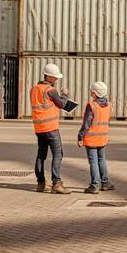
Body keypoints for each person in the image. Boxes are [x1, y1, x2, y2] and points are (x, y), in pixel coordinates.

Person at [30, 63, 78, 194]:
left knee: (41, 155)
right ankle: (56, 183)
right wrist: (65, 94)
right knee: (58, 154)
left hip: (39, 128)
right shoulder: (50, 90)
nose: (56, 79)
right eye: (55, 77)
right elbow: (62, 104)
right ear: (49, 77)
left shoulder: (34, 89)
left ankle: (40, 184)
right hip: (51, 127)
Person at [78, 80, 114, 194]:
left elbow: (86, 124)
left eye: (91, 91)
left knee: (93, 162)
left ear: (95, 93)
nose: (90, 92)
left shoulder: (92, 105)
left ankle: (94, 185)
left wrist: (80, 137)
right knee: (101, 160)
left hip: (91, 139)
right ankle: (105, 183)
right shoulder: (109, 105)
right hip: (102, 138)